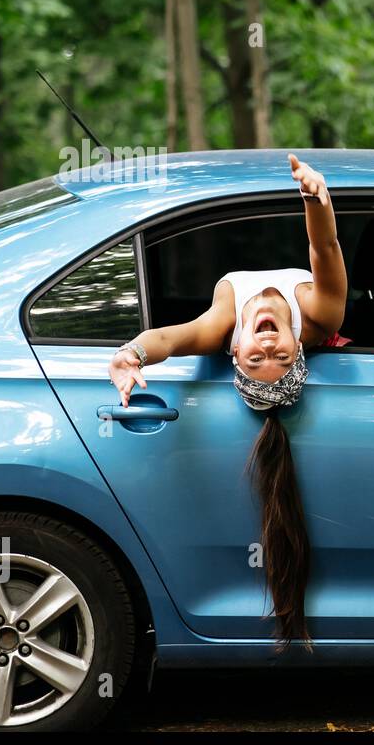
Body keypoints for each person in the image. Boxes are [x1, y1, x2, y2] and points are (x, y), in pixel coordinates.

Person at [107, 153, 348, 649]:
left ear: (233, 349)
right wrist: (313, 195)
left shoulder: (223, 324)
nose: (264, 350)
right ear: (300, 348)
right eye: (277, 358)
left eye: (253, 360)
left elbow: (170, 340)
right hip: (312, 207)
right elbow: (324, 245)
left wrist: (131, 355)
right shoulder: (319, 315)